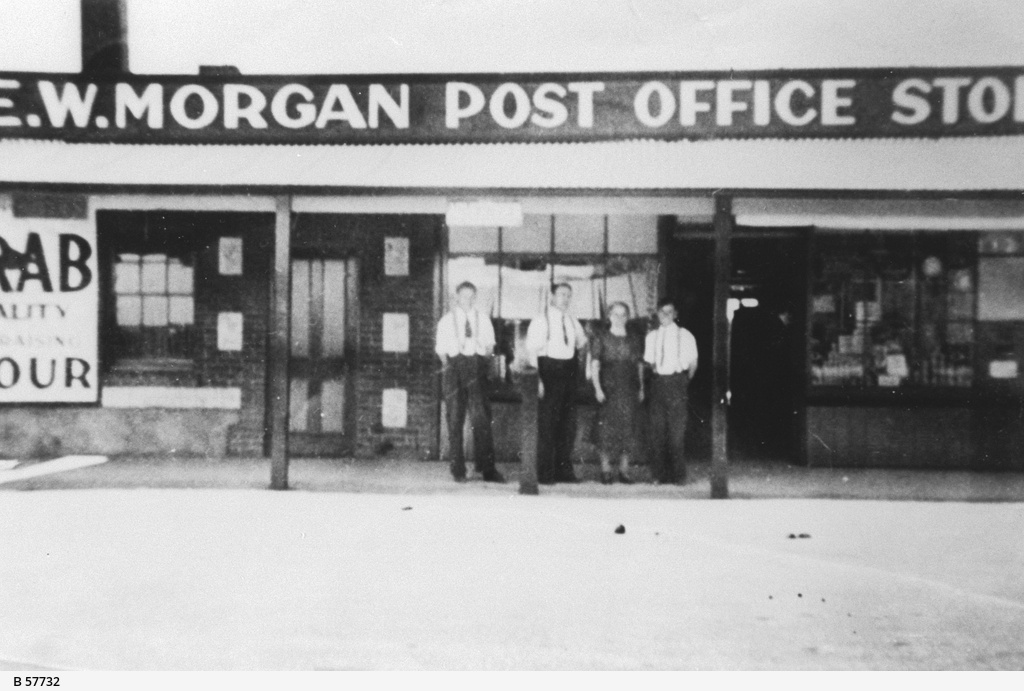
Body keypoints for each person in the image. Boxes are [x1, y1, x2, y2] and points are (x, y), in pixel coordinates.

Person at [435, 281, 505, 483]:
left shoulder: (482, 319)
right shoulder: (446, 321)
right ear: (456, 297)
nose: (468, 300)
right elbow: (441, 351)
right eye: (464, 296)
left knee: (481, 419)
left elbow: (490, 346)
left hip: (476, 367)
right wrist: (454, 367)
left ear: (476, 298)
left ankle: (487, 469)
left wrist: (479, 362)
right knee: (455, 419)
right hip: (454, 368)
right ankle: (458, 469)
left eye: (471, 296)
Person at [525, 282, 588, 484]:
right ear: (552, 297)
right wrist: (538, 380)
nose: (565, 298)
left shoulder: (571, 320)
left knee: (567, 425)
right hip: (549, 373)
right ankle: (545, 473)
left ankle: (564, 472)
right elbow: (532, 351)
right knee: (548, 425)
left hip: (569, 373)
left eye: (569, 295)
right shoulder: (541, 320)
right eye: (561, 294)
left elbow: (582, 342)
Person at [644, 298, 698, 484]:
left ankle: (679, 475)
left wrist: (681, 381)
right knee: (657, 431)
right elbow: (650, 362)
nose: (665, 316)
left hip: (677, 383)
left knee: (676, 433)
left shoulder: (685, 335)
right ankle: (658, 475)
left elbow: (692, 364)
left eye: (669, 312)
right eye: (662, 312)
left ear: (675, 314)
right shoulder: (651, 336)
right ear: (657, 314)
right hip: (658, 383)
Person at [590, 302, 645, 484]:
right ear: (609, 316)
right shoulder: (601, 337)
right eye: (616, 314)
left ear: (628, 317)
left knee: (628, 429)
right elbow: (595, 365)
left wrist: (641, 387)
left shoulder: (634, 338)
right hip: (609, 389)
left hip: (629, 388)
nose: (619, 318)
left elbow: (638, 365)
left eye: (623, 315)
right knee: (605, 430)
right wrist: (597, 388)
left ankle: (624, 471)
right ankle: (606, 471)